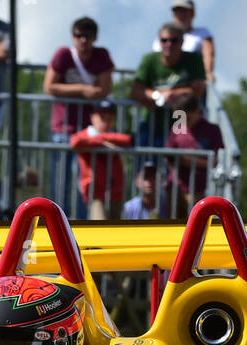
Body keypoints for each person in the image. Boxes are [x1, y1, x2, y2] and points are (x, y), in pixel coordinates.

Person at [44, 18, 113, 215]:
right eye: (78, 35)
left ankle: (80, 231)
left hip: (88, 133)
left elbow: (105, 89)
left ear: (95, 38)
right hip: (62, 130)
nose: (83, 40)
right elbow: (49, 87)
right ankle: (58, 228)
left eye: (87, 36)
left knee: (85, 185)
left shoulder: (101, 55)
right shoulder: (63, 54)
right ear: (72, 36)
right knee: (59, 185)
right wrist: (83, 90)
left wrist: (71, 90)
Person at [130, 21, 205, 150]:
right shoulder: (149, 59)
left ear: (182, 42)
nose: (168, 44)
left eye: (174, 40)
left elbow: (198, 89)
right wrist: (157, 95)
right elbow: (136, 91)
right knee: (145, 162)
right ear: (159, 42)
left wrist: (173, 94)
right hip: (152, 120)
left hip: (181, 120)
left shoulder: (193, 59)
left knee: (178, 159)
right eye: (164, 40)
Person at [164, 91, 222, 219]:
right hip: (174, 187)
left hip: (199, 190)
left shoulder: (212, 130)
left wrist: (188, 161)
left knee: (196, 227)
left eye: (187, 118)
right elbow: (168, 154)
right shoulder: (177, 129)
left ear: (198, 111)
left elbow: (216, 161)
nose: (184, 122)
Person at [70, 100, 130, 221]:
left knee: (116, 228)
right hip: (94, 191)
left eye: (110, 118)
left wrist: (100, 138)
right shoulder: (86, 134)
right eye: (102, 117)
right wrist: (101, 141)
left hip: (115, 191)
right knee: (100, 224)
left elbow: (127, 140)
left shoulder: (112, 136)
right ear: (92, 117)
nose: (106, 121)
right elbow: (75, 141)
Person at [155, 1, 214, 83]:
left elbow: (209, 55)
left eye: (184, 11)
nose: (180, 15)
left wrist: (208, 72)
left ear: (192, 14)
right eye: (177, 11)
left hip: (191, 81)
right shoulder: (164, 37)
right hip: (164, 82)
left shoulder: (202, 34)